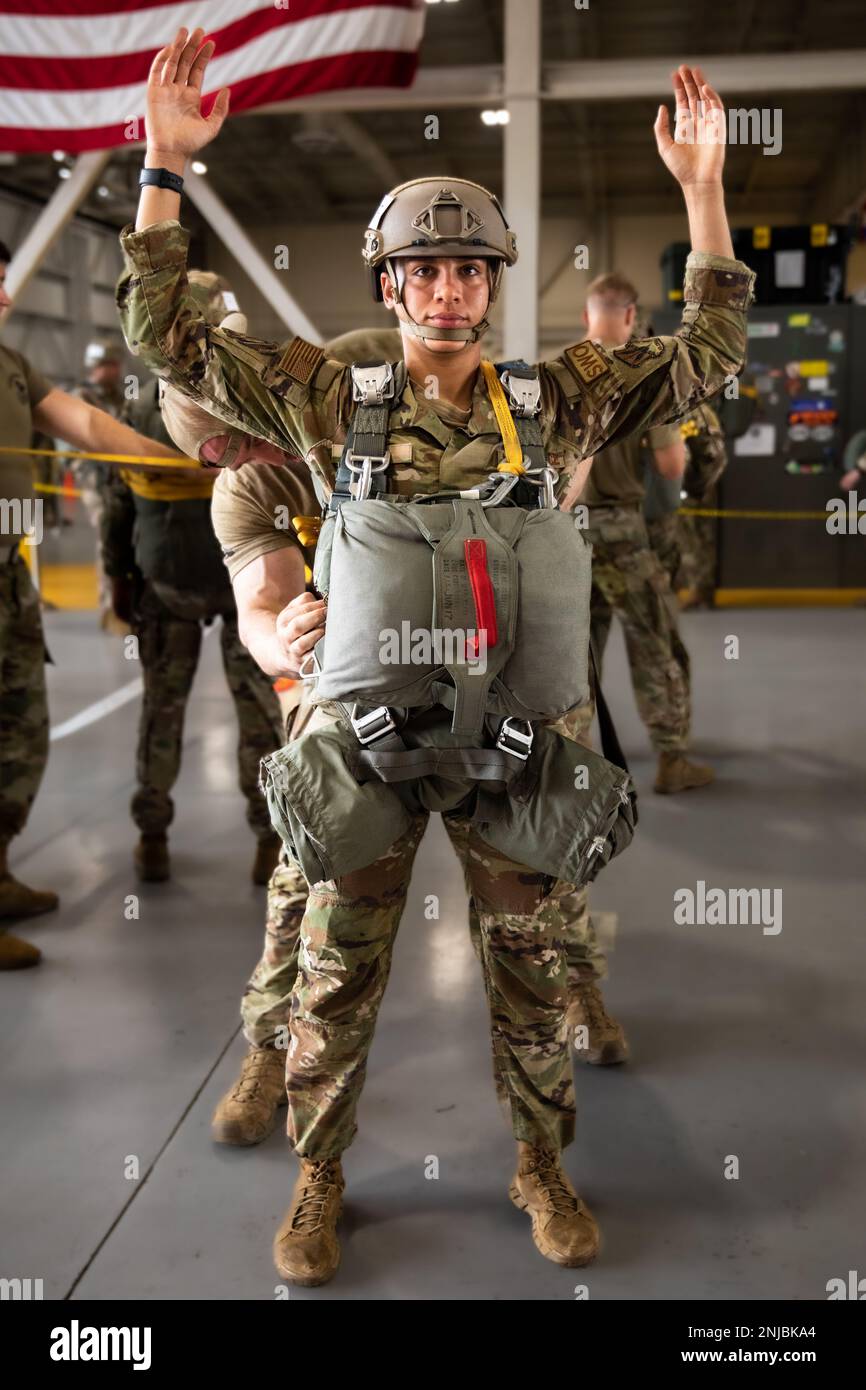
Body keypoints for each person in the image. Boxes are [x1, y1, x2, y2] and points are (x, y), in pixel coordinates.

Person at [117, 26, 753, 1282]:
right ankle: (318, 1178)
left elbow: (706, 357)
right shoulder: (323, 398)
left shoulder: (556, 395)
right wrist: (162, 168)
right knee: (333, 972)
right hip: (365, 743)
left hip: (515, 747)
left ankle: (539, 1162)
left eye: (469, 268)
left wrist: (701, 194)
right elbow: (167, 340)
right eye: (425, 269)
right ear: (390, 286)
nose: (449, 288)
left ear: (493, 282)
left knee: (529, 973)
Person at [0, 239, 187, 969]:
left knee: (19, 734)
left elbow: (88, 428)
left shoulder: (14, 369)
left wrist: (183, 465)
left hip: (9, 577)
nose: (8, 299)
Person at [101, 271, 283, 884]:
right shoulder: (252, 399)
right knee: (259, 714)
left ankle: (152, 835)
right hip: (246, 579)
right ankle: (269, 841)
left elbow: (115, 507)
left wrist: (118, 581)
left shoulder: (137, 406)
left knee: (163, 711)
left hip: (166, 577)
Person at [569, 271, 715, 794]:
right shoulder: (645, 375)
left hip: (566, 539)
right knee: (655, 642)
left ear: (587, 316)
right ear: (630, 316)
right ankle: (672, 759)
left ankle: (573, 762)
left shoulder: (558, 375)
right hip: (623, 532)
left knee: (575, 650)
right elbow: (673, 466)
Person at [70, 338, 129, 632]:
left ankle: (125, 602)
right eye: (109, 364)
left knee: (126, 536)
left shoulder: (121, 397)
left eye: (116, 364)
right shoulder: (80, 397)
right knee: (109, 535)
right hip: (96, 479)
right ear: (95, 366)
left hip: (123, 478)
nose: (115, 370)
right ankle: (109, 605)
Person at [646, 400, 728, 608]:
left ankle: (694, 591)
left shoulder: (695, 410)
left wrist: (694, 487)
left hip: (686, 487)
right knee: (685, 539)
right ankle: (686, 590)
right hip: (677, 487)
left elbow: (713, 455)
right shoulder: (686, 407)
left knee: (691, 540)